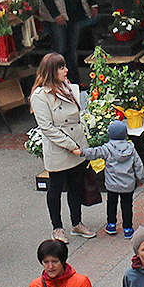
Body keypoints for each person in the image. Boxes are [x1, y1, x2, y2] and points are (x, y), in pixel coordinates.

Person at [30, 52, 96, 240]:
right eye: (61, 68)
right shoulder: (40, 96)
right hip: (60, 149)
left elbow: (79, 117)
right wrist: (71, 145)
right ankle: (57, 228)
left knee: (76, 186)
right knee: (56, 189)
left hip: (77, 146)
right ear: (51, 71)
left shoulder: (69, 88)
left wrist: (83, 143)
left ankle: (77, 223)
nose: (66, 70)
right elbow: (47, 128)